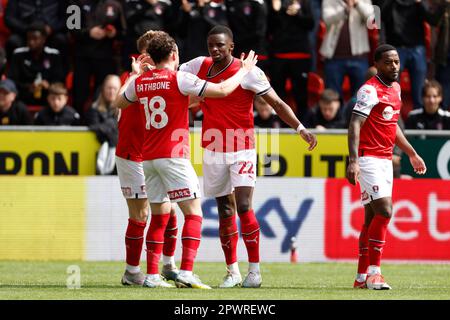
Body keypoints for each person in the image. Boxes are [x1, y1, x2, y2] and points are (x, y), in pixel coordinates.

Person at [113, 30, 259, 288]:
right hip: (173, 155)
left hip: (147, 158)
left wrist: (137, 74)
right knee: (194, 214)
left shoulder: (140, 82)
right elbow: (224, 90)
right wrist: (244, 69)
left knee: (158, 217)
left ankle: (151, 275)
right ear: (173, 54)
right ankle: (187, 270)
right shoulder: (179, 79)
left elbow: (118, 102)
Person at [180, 25, 317, 288]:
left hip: (242, 147)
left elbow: (277, 103)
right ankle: (233, 272)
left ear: (231, 46)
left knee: (243, 206)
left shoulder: (249, 72)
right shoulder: (198, 65)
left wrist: (300, 128)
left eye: (220, 45)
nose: (215, 49)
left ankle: (254, 271)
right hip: (212, 148)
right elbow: (174, 76)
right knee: (224, 210)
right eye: (211, 45)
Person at [347, 44, 427, 290]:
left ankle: (361, 277)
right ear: (377, 64)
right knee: (385, 211)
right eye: (388, 62)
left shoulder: (395, 89)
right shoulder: (369, 91)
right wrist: (353, 160)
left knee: (371, 217)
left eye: (397, 62)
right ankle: (375, 274)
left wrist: (412, 153)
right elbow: (354, 125)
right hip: (368, 158)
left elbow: (392, 127)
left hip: (385, 160)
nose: (394, 66)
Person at [117, 31, 180, 287]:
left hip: (158, 152)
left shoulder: (165, 79)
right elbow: (118, 103)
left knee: (170, 209)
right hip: (134, 153)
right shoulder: (133, 78)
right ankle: (132, 272)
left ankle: (168, 265)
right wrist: (135, 75)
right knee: (141, 213)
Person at [320, 0, 374, 101]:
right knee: (332, 98)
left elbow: (372, 20)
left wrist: (357, 3)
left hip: (359, 58)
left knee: (362, 99)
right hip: (333, 58)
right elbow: (326, 19)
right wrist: (345, 10)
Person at [7, 21, 65, 106]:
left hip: (48, 97)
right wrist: (28, 87)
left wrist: (49, 86)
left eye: (35, 38)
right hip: (23, 97)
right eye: (29, 38)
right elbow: (12, 80)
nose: (31, 42)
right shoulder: (18, 54)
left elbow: (60, 79)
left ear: (44, 39)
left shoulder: (54, 55)